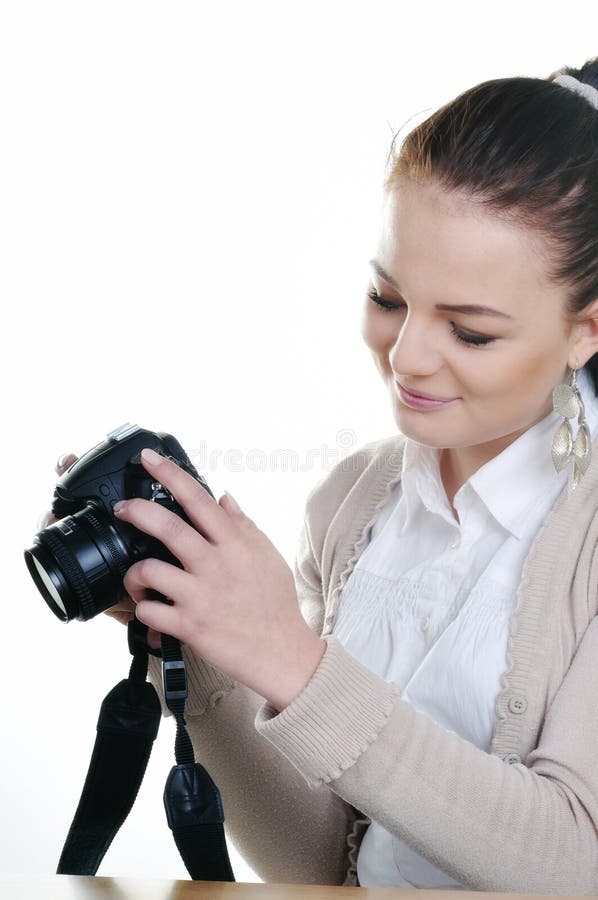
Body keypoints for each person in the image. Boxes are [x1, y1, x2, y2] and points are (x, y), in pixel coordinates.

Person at [44, 56, 598, 892]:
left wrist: (294, 659)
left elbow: (575, 858)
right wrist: (199, 650)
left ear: (586, 332)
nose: (407, 356)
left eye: (471, 332)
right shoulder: (352, 504)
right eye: (387, 297)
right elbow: (324, 866)